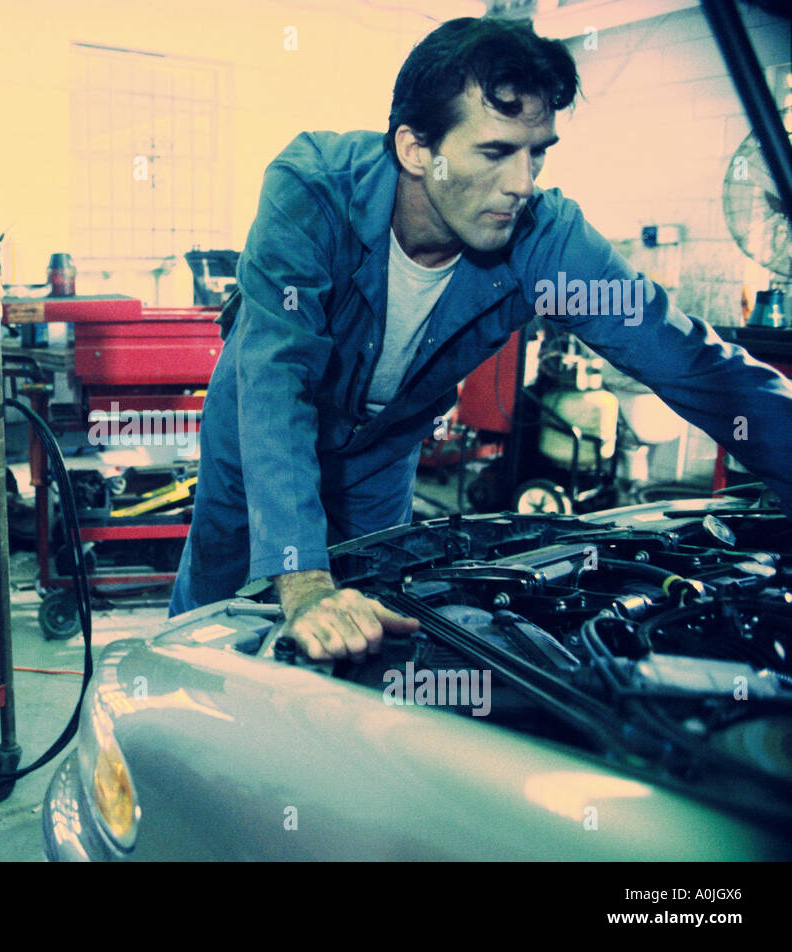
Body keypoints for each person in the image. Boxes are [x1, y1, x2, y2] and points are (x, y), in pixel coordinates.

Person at [168, 16, 792, 661]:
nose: (523, 183)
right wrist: (302, 581)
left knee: (365, 628)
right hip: (260, 438)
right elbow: (276, 378)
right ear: (415, 149)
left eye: (538, 152)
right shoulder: (313, 190)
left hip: (382, 453)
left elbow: (689, 359)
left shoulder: (544, 238)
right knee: (213, 620)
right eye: (495, 152)